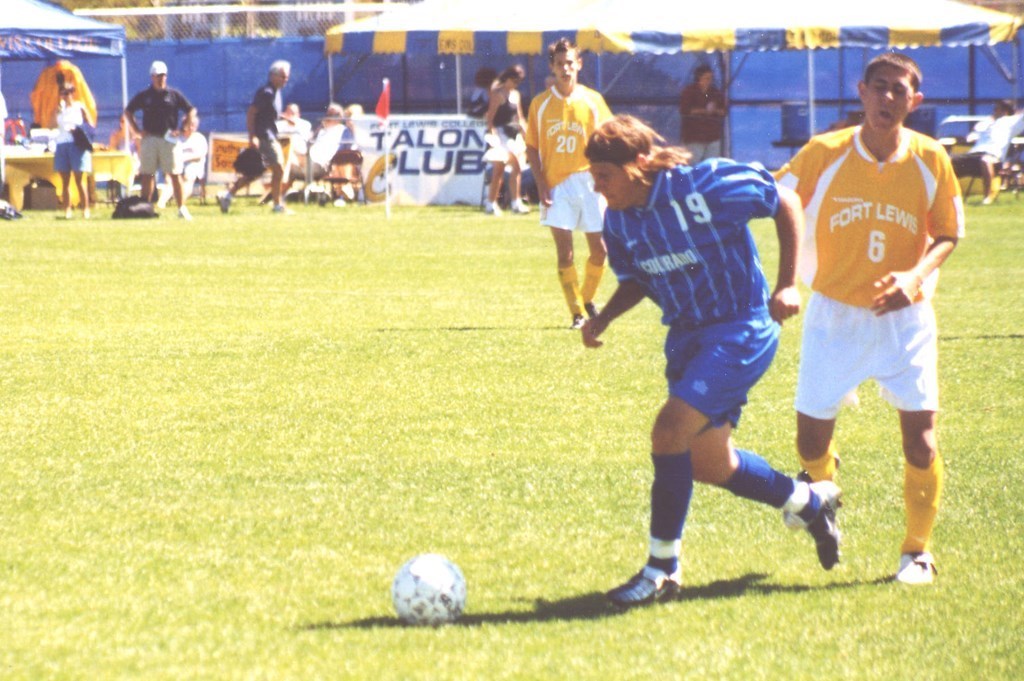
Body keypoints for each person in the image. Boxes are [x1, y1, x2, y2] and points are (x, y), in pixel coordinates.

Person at [582, 114, 841, 608]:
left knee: (668, 431)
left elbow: (783, 200)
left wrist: (787, 282)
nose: (599, 187)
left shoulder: (703, 185)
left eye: (604, 176)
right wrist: (605, 319)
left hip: (741, 328)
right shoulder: (618, 220)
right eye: (594, 177)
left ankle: (662, 568)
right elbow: (636, 278)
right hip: (687, 339)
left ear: (639, 164)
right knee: (709, 462)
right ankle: (808, 502)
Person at [775, 52, 964, 585]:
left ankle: (916, 552)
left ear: (915, 101)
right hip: (833, 315)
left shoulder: (931, 158)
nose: (887, 98)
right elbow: (777, 199)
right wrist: (787, 277)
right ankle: (822, 496)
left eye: (898, 91)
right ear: (860, 92)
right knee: (810, 444)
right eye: (878, 87)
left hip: (906, 320)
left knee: (921, 440)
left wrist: (916, 276)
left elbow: (949, 232)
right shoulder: (824, 152)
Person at [524, 38, 613, 329]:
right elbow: (533, 148)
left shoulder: (593, 101)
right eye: (560, 64)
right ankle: (576, 313)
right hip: (555, 185)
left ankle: (586, 298)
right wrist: (540, 184)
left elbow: (608, 141)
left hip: (589, 183)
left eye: (570, 63)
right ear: (552, 66)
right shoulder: (540, 104)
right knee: (566, 253)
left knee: (600, 250)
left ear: (579, 65)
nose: (565, 68)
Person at [124, 60, 197, 220]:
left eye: (163, 76)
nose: (161, 79)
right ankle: (145, 208)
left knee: (175, 173)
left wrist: (184, 127)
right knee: (147, 174)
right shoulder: (144, 96)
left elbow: (190, 110)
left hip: (169, 139)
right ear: (152, 77)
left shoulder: (173, 95)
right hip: (150, 138)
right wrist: (136, 130)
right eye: (158, 76)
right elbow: (128, 111)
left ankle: (182, 208)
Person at [218, 60, 292, 215]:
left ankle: (227, 196)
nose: (286, 80)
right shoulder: (267, 92)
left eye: (287, 77)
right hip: (265, 136)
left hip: (269, 134)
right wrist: (253, 136)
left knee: (255, 172)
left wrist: (284, 117)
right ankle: (277, 205)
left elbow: (270, 114)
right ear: (273, 76)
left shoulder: (275, 93)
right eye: (283, 77)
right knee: (278, 167)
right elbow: (252, 113)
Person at [951, 99, 1024, 205]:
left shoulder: (1011, 122)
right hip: (974, 154)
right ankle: (948, 197)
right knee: (949, 161)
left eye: (997, 108)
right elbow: (973, 134)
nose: (994, 111)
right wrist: (970, 137)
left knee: (985, 160)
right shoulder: (987, 122)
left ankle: (988, 197)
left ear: (1005, 111)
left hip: (994, 157)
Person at [483, 64, 529, 216]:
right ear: (508, 78)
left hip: (513, 135)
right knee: (509, 167)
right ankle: (498, 203)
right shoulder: (498, 94)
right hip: (500, 136)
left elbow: (520, 117)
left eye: (518, 82)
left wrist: (525, 133)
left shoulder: (516, 95)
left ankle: (504, 203)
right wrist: (494, 138)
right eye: (514, 80)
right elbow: (490, 118)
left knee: (507, 170)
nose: (515, 84)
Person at [53, 84, 94, 220]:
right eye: (63, 93)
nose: (65, 95)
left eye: (68, 92)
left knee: (79, 179)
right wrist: (57, 112)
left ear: (72, 93)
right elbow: (53, 124)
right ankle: (67, 209)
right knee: (65, 181)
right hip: (62, 143)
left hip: (77, 144)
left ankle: (85, 208)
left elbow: (90, 125)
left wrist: (77, 129)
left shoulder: (79, 106)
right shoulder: (60, 109)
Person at [157, 112, 207, 209]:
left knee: (188, 177)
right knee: (170, 179)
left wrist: (184, 159)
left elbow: (200, 155)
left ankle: (180, 200)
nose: (190, 127)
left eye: (193, 125)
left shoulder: (199, 138)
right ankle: (161, 203)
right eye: (188, 124)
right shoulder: (176, 137)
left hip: (194, 164)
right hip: (177, 163)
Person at [678, 64, 727, 163]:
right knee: (693, 165)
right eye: (706, 78)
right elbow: (685, 110)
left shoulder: (715, 92)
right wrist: (704, 111)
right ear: (699, 78)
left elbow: (724, 111)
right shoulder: (689, 91)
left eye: (711, 78)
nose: (709, 81)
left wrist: (715, 110)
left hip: (712, 136)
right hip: (694, 137)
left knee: (711, 165)